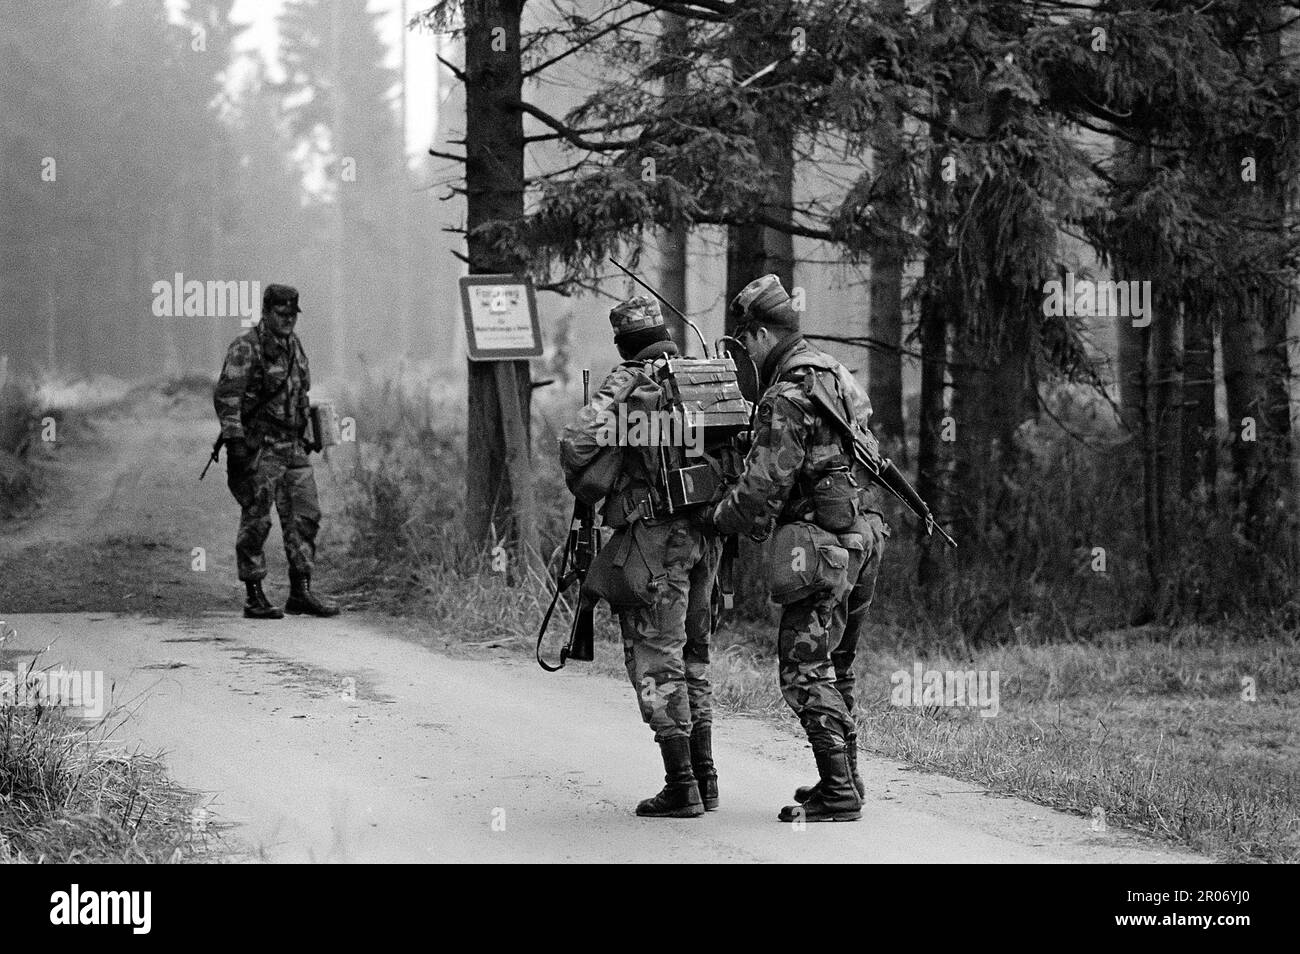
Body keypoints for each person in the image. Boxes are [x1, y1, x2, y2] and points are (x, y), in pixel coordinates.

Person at [709, 274, 887, 823]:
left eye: (745, 343)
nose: (746, 355)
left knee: (802, 669)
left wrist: (720, 519)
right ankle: (845, 777)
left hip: (821, 551)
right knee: (837, 662)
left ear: (762, 335)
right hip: (863, 538)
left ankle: (839, 793)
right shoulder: (833, 374)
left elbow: (765, 486)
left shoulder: (786, 394)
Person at [559, 296, 723, 818]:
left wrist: (616, 453)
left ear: (623, 342)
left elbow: (576, 446)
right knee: (692, 654)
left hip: (654, 540)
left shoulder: (631, 381)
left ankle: (681, 786)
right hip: (705, 538)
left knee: (655, 656)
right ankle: (706, 777)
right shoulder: (701, 376)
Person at [214, 283, 339, 619]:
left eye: (292, 315)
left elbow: (301, 392)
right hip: (261, 446)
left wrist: (310, 428)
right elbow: (227, 396)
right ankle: (254, 593)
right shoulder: (246, 347)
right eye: (281, 314)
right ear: (266, 312)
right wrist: (236, 441)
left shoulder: (293, 346)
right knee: (256, 520)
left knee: (306, 515)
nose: (287, 321)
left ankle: (300, 591)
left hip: (293, 445)